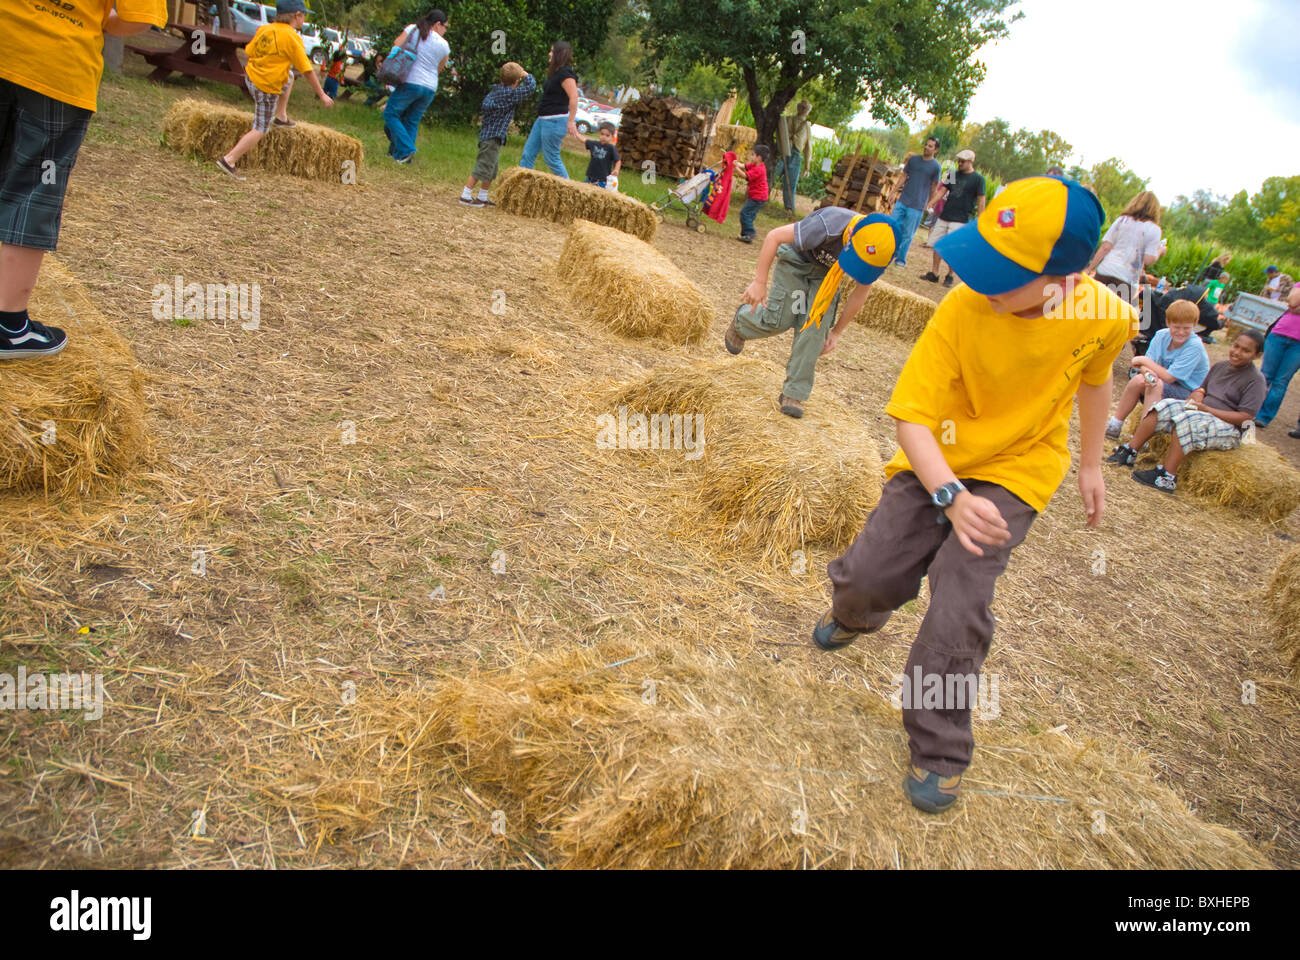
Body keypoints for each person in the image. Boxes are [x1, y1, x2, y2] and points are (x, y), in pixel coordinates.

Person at [811, 176, 1133, 814]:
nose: (980, 281)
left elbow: (1096, 383)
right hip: (940, 458)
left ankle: (939, 745)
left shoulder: (1106, 317)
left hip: (1019, 467)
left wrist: (1092, 464)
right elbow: (912, 417)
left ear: (1065, 279)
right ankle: (857, 612)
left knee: (960, 591)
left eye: (1003, 272)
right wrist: (951, 496)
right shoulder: (962, 307)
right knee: (869, 575)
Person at [0, 0, 168, 360]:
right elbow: (138, 18)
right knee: (32, 190)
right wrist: (100, 19)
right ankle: (8, 325)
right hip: (58, 64)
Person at [725, 210, 900, 419]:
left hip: (826, 277)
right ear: (851, 234)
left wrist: (836, 332)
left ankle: (794, 392)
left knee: (814, 327)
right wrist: (759, 282)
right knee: (782, 319)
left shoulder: (878, 251)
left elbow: (860, 293)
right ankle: (743, 322)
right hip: (796, 263)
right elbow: (774, 236)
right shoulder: (828, 224)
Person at [1115, 330, 1266, 493]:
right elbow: (1201, 389)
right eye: (1236, 346)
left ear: (1257, 355)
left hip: (1229, 428)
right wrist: (1196, 397)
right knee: (1164, 406)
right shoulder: (1220, 366)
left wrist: (1207, 410)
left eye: (1246, 350)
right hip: (1203, 413)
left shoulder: (1256, 381)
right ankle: (1130, 451)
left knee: (1187, 421)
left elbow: (1246, 417)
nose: (1237, 352)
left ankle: (1167, 477)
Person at [216, 1, 333, 182]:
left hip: (251, 78)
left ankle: (281, 116)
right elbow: (307, 71)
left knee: (289, 77)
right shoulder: (292, 38)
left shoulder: (265, 29)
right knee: (261, 128)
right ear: (297, 15)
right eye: (304, 15)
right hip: (266, 87)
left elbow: (249, 52)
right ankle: (229, 160)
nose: (304, 19)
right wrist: (322, 94)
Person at [1104, 300, 1210, 442]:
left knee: (1155, 384)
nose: (1181, 332)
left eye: (1186, 328)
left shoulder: (1195, 346)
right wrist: (1147, 371)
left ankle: (1142, 437)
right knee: (1139, 380)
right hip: (1164, 383)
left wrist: (1144, 362)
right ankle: (1115, 424)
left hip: (1188, 393)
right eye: (1176, 327)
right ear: (1168, 322)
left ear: (1195, 325)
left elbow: (1169, 377)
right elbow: (1144, 365)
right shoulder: (1161, 335)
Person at [460, 62, 535, 207]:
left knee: (491, 168)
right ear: (515, 81)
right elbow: (531, 87)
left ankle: (482, 197)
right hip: (492, 138)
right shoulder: (510, 94)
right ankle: (465, 195)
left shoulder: (496, 91)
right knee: (482, 167)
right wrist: (524, 73)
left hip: (490, 136)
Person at [383, 9, 450, 164]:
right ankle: (402, 156)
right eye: (445, 27)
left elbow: (397, 44)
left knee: (391, 114)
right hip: (430, 87)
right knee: (412, 120)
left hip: (411, 81)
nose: (445, 31)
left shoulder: (413, 29)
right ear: (438, 24)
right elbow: (440, 68)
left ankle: (405, 150)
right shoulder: (444, 45)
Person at [922, 149, 985, 287]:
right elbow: (942, 191)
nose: (959, 163)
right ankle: (934, 273)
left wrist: (981, 221)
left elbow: (981, 201)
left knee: (954, 249)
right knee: (937, 245)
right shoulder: (952, 174)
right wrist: (931, 203)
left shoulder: (978, 179)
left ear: (971, 162)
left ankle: (950, 276)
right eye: (959, 160)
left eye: (963, 161)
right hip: (945, 215)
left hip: (961, 219)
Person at [1086, 191, 1163, 303]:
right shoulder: (1154, 229)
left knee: (1091, 308)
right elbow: (1148, 259)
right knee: (1113, 317)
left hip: (1105, 271)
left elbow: (1105, 247)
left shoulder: (1122, 220)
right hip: (1127, 279)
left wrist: (1090, 268)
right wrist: (1160, 250)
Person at [519, 41, 580, 178]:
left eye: (552, 51)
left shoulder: (566, 74)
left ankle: (568, 189)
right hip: (542, 120)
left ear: (559, 54)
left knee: (552, 159)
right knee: (528, 154)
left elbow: (574, 97)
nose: (549, 53)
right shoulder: (556, 73)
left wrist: (571, 122)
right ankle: (522, 185)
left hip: (555, 121)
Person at [888, 137, 943, 268]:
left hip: (917, 205)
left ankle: (900, 259)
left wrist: (930, 203)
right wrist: (893, 191)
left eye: (930, 146)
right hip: (903, 200)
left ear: (935, 150)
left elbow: (934, 187)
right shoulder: (913, 160)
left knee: (908, 233)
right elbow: (903, 176)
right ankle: (888, 252)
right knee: (891, 226)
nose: (926, 147)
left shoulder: (936, 167)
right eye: (926, 145)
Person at [1255, 286, 1300, 428]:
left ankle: (1263, 416)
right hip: (1279, 334)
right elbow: (1293, 302)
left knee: (1281, 381)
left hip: (1298, 344)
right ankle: (1252, 409)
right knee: (1265, 375)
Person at [776, 100, 813, 215]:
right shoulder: (805, 126)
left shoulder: (787, 120)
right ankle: (789, 208)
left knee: (774, 176)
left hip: (785, 152)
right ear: (807, 111)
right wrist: (807, 166)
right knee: (789, 183)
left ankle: (788, 208)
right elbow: (808, 148)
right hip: (792, 153)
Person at [737, 145, 771, 244]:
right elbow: (743, 166)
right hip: (757, 196)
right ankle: (745, 234)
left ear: (759, 157)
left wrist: (735, 168)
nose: (751, 157)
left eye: (753, 155)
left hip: (758, 197)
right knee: (750, 215)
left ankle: (750, 233)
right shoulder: (754, 165)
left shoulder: (759, 169)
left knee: (745, 213)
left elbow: (745, 176)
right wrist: (736, 163)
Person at [583, 122, 621, 188]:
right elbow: (585, 140)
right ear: (599, 133)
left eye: (607, 135)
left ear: (612, 136)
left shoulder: (611, 148)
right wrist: (575, 133)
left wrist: (616, 170)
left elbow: (618, 161)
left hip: (602, 181)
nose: (604, 137)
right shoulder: (594, 144)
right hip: (590, 178)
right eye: (602, 134)